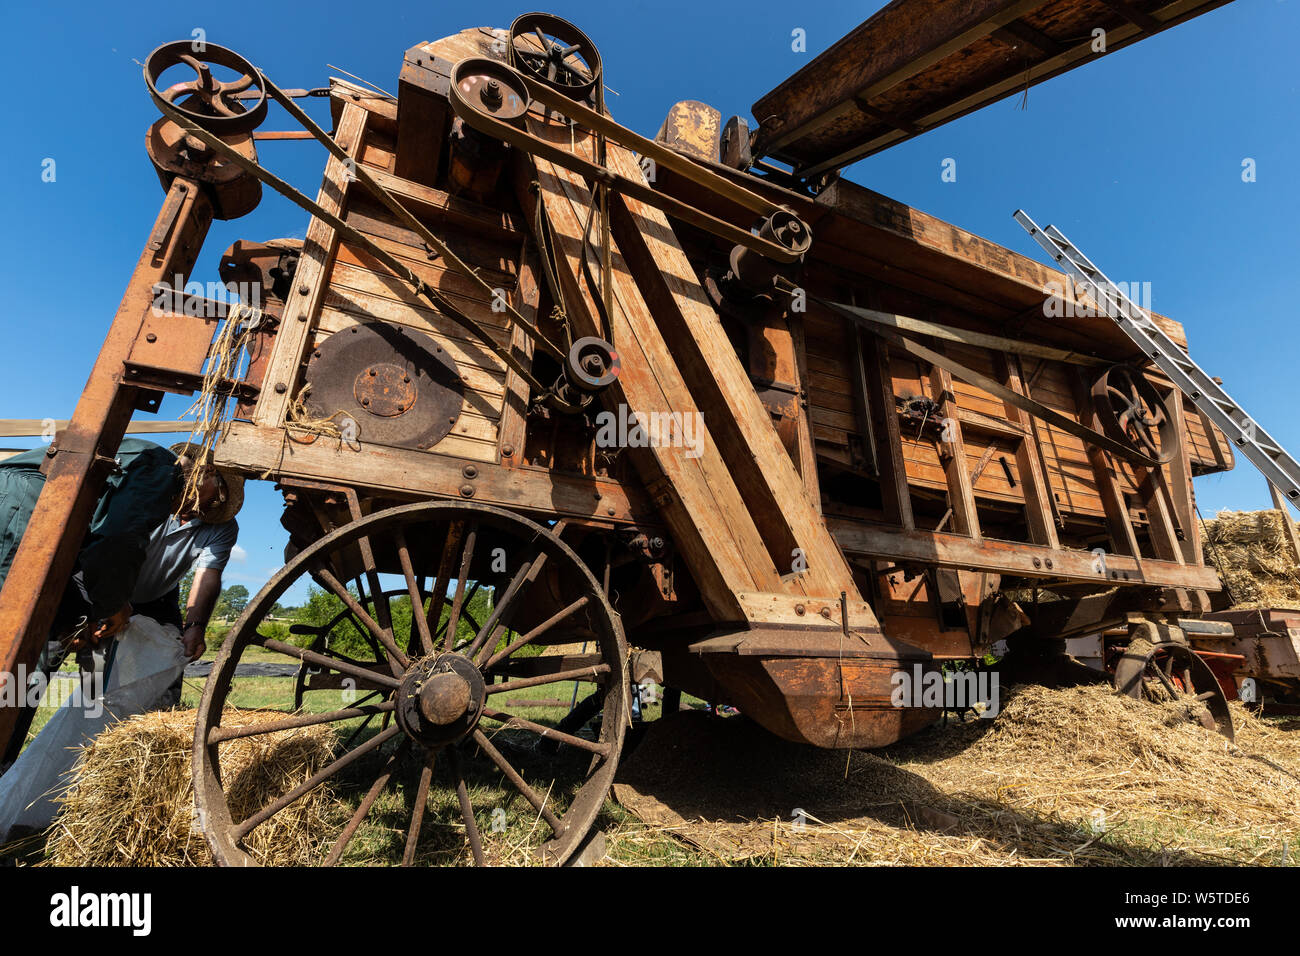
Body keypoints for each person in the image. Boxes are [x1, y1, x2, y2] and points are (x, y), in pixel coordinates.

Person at [0, 439, 242, 767]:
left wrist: (90, 612)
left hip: (55, 539)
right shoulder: (163, 472)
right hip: (30, 515)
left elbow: (107, 546)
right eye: (215, 498)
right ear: (207, 474)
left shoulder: (158, 474)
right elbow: (115, 544)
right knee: (21, 646)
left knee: (29, 652)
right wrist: (110, 606)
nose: (201, 512)